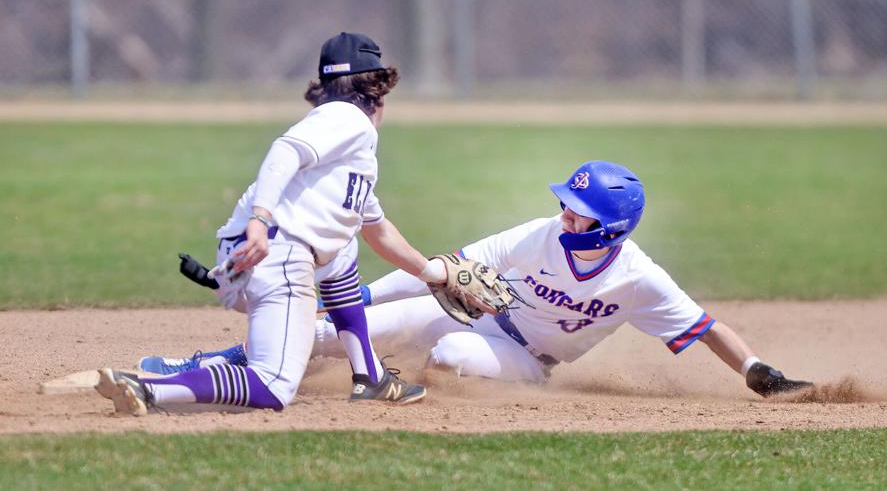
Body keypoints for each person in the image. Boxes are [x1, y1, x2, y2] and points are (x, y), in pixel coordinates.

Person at [140, 161, 813, 398]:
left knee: (451, 354)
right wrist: (352, 301)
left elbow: (705, 327)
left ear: (608, 228)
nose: (564, 213)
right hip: (478, 315)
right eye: (565, 201)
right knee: (335, 332)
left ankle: (402, 386)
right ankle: (209, 365)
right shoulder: (540, 235)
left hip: (524, 359)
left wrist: (759, 372)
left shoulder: (639, 280)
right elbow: (444, 273)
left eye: (577, 210)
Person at [95, 32, 458, 417]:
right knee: (273, 385)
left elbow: (378, 231)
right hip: (272, 251)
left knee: (342, 247)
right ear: (377, 90)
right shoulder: (349, 119)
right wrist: (260, 219)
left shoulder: (343, 156)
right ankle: (149, 388)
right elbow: (286, 150)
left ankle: (370, 375)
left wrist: (436, 275)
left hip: (260, 253)